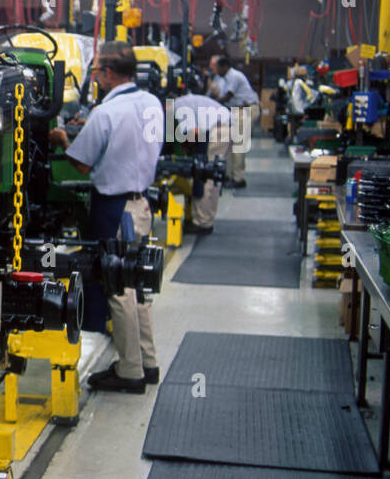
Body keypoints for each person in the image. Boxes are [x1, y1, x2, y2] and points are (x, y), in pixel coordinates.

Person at [49, 40, 163, 393]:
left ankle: (129, 372)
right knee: (135, 282)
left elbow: (82, 163)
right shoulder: (151, 103)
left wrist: (62, 138)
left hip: (115, 210)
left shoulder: (107, 113)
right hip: (141, 203)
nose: (95, 77)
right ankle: (148, 361)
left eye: (97, 71)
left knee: (118, 288)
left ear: (109, 73)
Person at [169, 91, 231, 234]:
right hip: (228, 127)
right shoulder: (190, 99)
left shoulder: (178, 106)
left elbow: (194, 132)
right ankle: (207, 219)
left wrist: (186, 150)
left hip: (217, 131)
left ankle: (201, 223)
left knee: (204, 174)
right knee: (215, 177)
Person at [207, 54, 258, 187]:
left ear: (224, 67)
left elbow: (227, 97)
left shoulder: (234, 76)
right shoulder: (224, 78)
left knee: (239, 145)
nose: (215, 71)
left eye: (217, 68)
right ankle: (229, 176)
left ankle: (239, 179)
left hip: (245, 110)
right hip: (234, 111)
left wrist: (209, 104)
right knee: (229, 145)